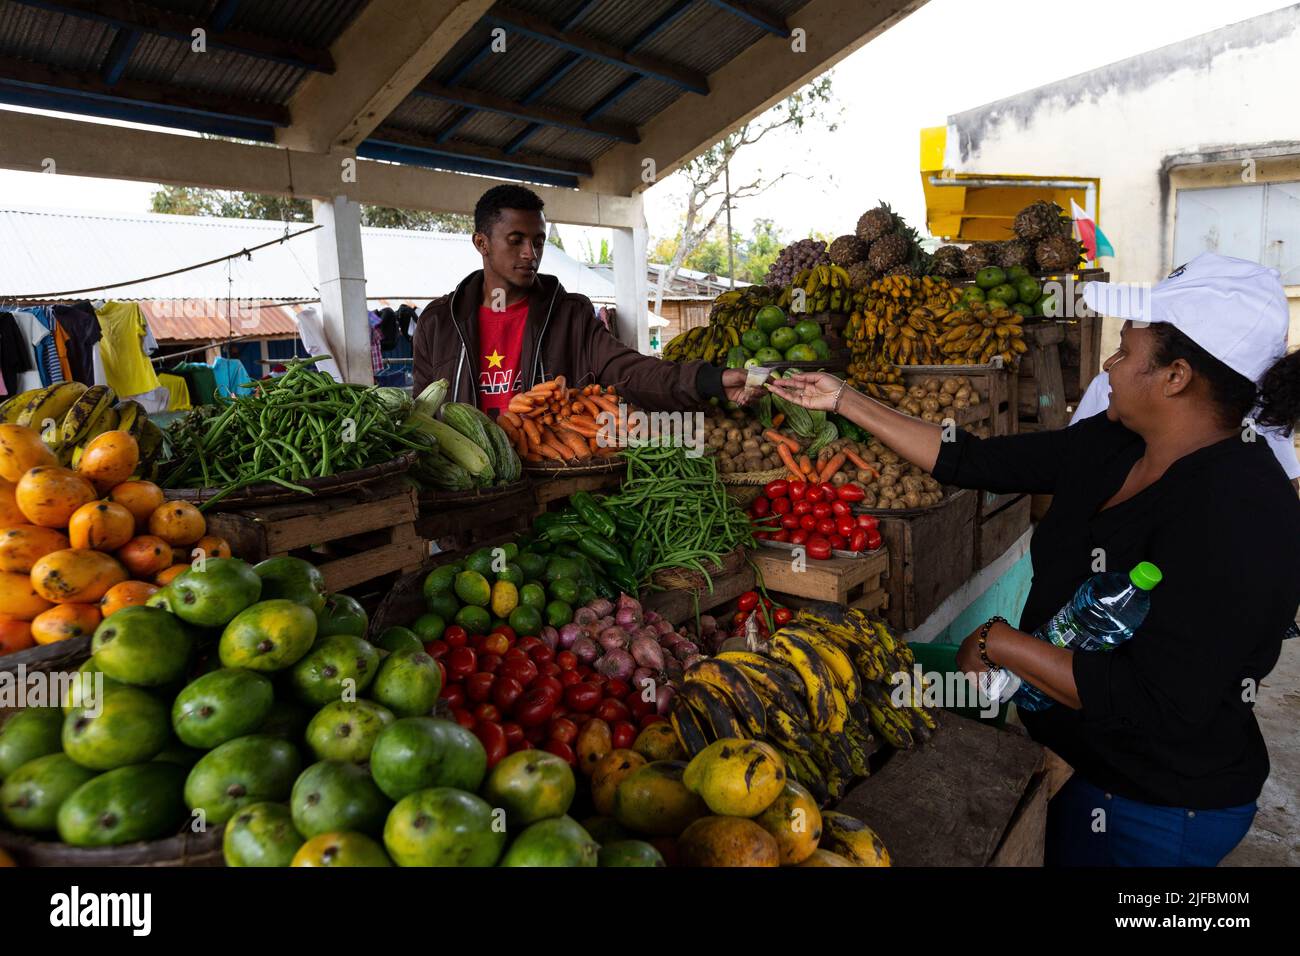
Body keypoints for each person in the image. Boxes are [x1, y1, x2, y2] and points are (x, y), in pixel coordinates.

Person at [767, 253, 1300, 866]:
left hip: (1156, 807)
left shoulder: (1242, 513)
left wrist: (1004, 643)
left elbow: (1164, 703)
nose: (1109, 364)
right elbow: (973, 461)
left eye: (1125, 352)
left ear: (1176, 376)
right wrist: (844, 399)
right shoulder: (1116, 441)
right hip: (1080, 764)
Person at [412, 185, 753, 413]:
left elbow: (628, 370)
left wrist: (708, 380)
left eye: (539, 241)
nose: (530, 253)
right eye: (515, 240)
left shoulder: (569, 315)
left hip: (552, 483)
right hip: (466, 494)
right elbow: (424, 412)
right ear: (481, 243)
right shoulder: (439, 322)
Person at [1071, 369, 1300, 489]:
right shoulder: (1107, 385)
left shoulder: (1264, 409)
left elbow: (1288, 484)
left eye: (1125, 351)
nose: (1109, 363)